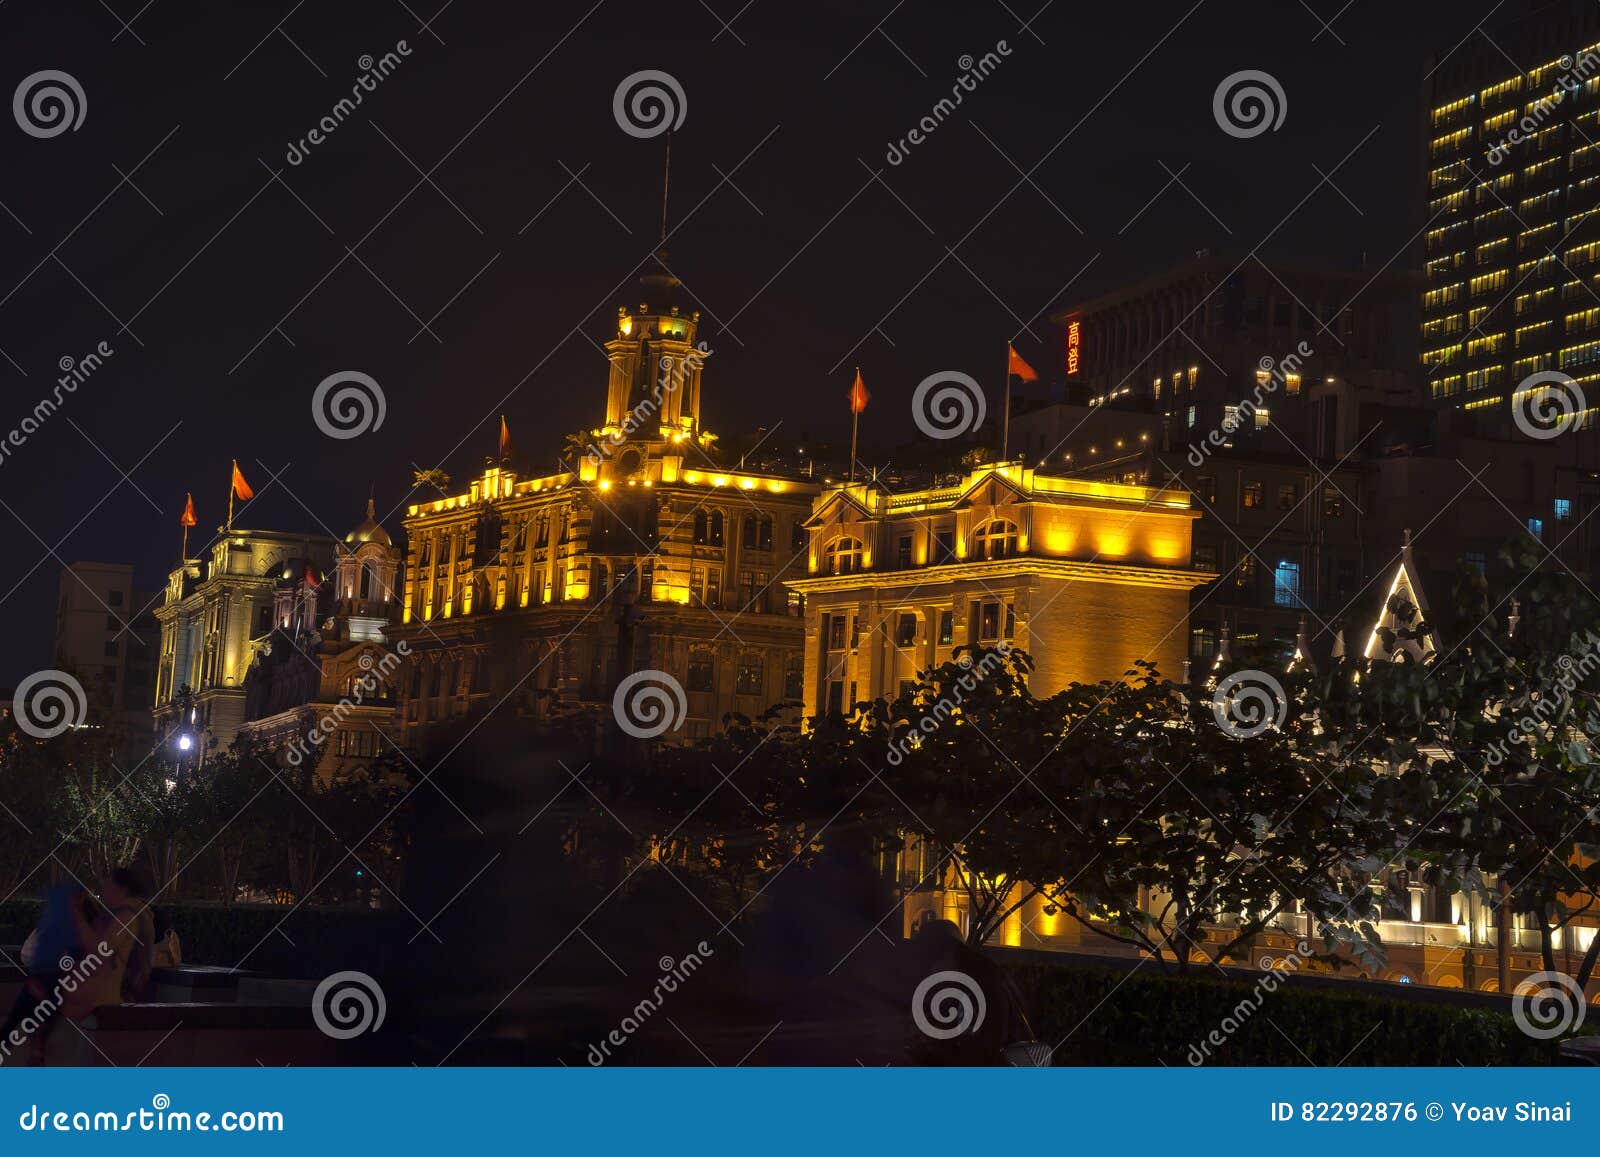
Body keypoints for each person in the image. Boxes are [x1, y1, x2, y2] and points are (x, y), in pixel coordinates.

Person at [1, 884, 88, 1065]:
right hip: (51, 982)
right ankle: (36, 1058)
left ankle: (35, 1057)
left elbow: (31, 953)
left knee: (21, 1026)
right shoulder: (70, 925)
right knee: (35, 1029)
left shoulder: (57, 923)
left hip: (46, 981)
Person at [61, 869, 155, 1026]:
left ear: (122, 890)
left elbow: (99, 952)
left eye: (107, 886)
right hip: (111, 983)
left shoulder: (127, 917)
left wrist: (77, 914)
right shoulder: (122, 914)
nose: (103, 890)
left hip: (116, 990)